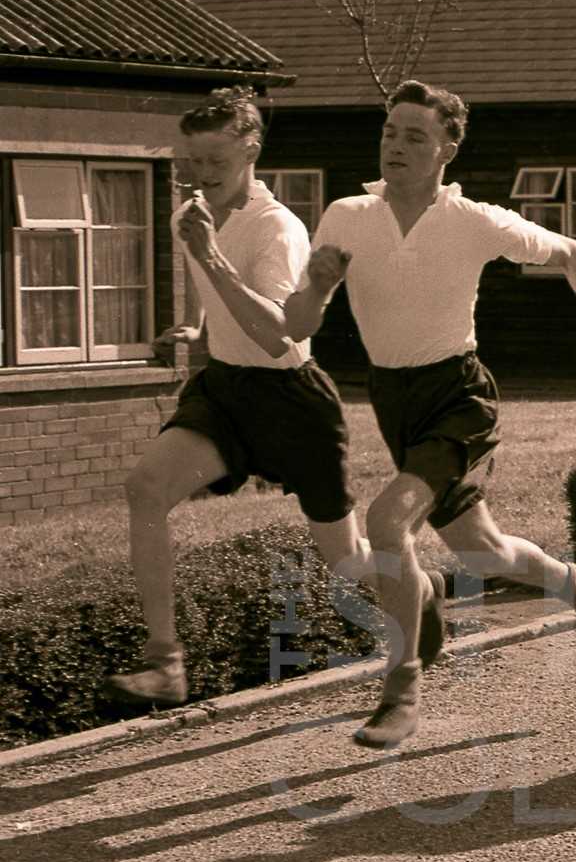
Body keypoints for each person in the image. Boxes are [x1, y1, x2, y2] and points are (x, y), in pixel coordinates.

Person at [289, 80, 576, 750]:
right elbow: (296, 322)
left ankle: (401, 688)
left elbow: (571, 255)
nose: (396, 146)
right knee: (481, 552)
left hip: (459, 396)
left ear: (447, 148)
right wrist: (316, 285)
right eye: (390, 133)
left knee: (386, 520)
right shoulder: (346, 216)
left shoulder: (474, 222)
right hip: (394, 400)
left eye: (415, 137)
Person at [104, 87, 424, 708]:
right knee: (145, 488)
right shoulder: (192, 215)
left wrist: (210, 258)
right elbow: (220, 295)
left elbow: (279, 335)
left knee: (348, 567)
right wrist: (200, 326)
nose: (197, 176)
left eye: (213, 162)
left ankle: (421, 592)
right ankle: (166, 663)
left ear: (252, 150)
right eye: (187, 162)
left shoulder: (277, 228)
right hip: (226, 389)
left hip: (292, 402)